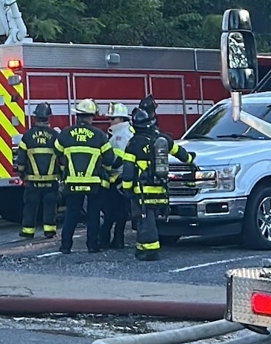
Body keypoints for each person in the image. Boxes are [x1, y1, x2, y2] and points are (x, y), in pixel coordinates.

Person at [120, 107, 193, 261]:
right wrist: (190, 160)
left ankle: (150, 252)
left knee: (145, 220)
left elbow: (128, 169)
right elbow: (180, 152)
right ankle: (141, 249)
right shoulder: (162, 139)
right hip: (160, 188)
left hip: (141, 190)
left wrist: (127, 189)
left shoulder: (133, 143)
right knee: (147, 220)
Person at [55, 100, 113, 254]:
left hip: (72, 181)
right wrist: (105, 171)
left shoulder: (66, 133)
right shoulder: (99, 135)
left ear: (78, 116)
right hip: (93, 182)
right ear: (91, 117)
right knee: (93, 215)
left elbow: (57, 153)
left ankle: (66, 246)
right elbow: (109, 159)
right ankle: (92, 246)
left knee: (72, 214)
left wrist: (64, 169)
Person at [16, 104, 60, 240]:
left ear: (35, 117)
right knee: (50, 206)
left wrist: (21, 173)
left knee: (30, 206)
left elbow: (21, 159)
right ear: (49, 117)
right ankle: (50, 231)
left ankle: (28, 231)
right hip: (51, 180)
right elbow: (62, 156)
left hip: (32, 180)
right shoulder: (55, 135)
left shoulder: (28, 136)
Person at [101, 103, 133, 249]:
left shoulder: (121, 135)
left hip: (117, 179)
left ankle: (107, 240)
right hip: (123, 179)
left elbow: (119, 157)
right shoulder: (125, 131)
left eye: (113, 118)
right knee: (121, 213)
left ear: (121, 119)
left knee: (111, 212)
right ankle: (117, 240)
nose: (110, 121)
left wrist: (108, 168)